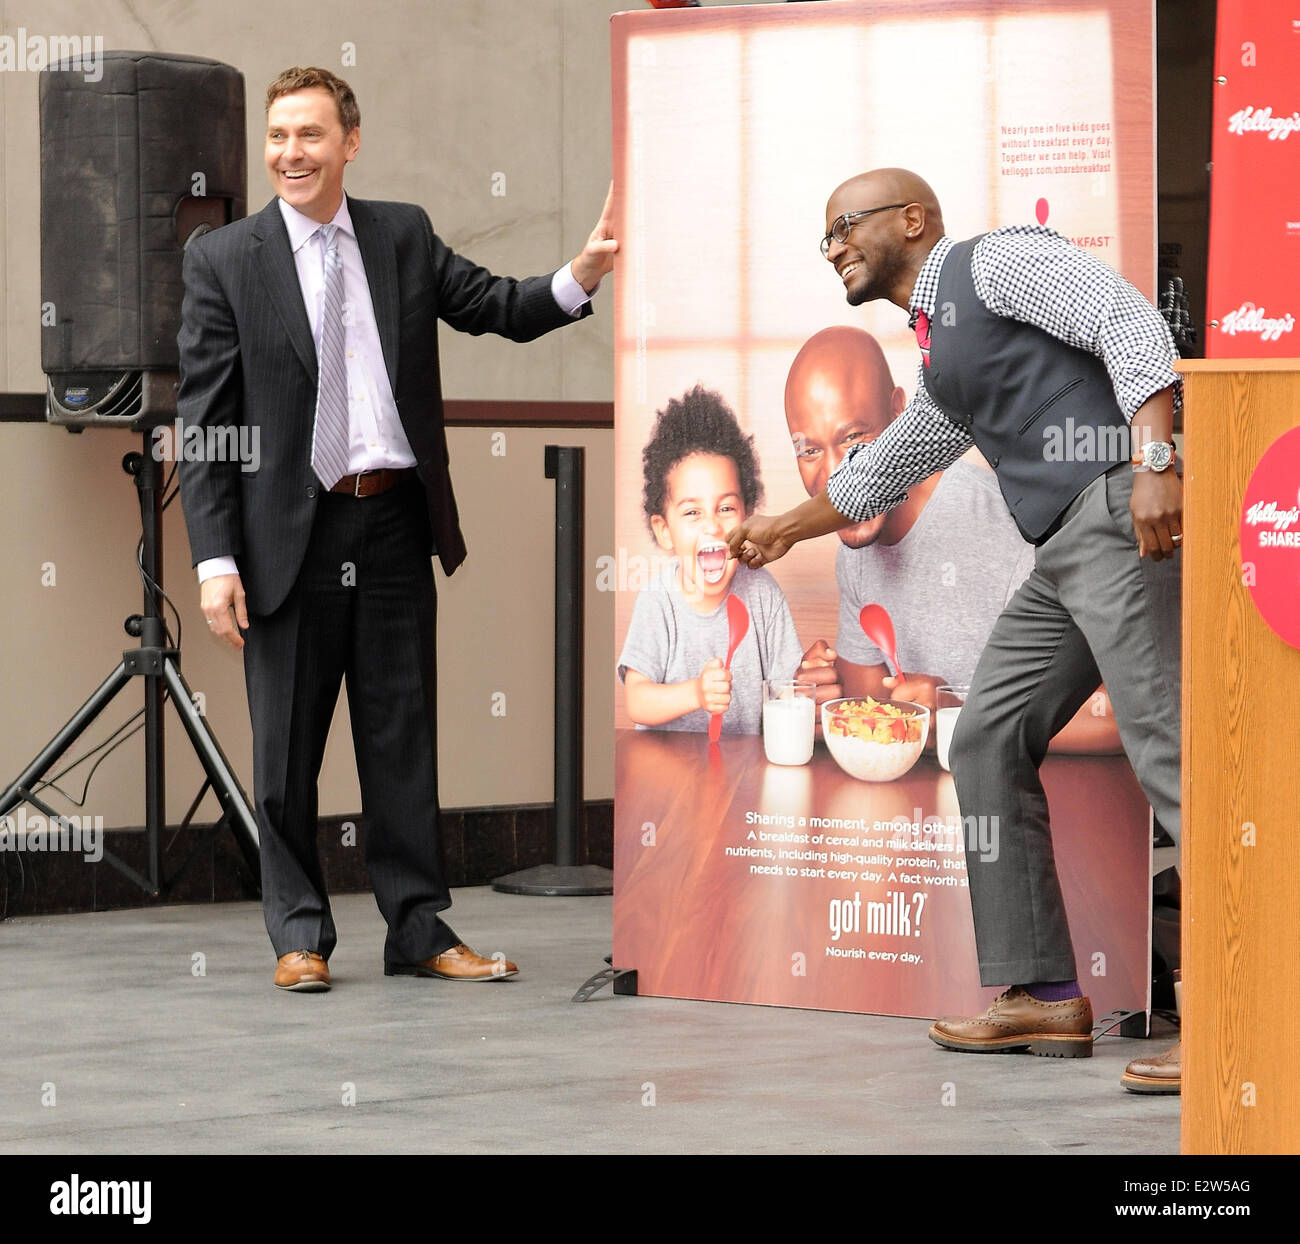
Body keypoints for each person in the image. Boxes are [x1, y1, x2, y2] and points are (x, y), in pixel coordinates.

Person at [728, 168, 1183, 1092]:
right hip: (1061, 552)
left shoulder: (996, 262)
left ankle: (1246, 1009)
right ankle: (1046, 992)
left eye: (845, 226)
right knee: (983, 737)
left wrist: (1158, 460)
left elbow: (1129, 322)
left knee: (1168, 751)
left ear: (912, 219)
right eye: (825, 239)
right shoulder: (942, 364)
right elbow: (874, 476)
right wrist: (780, 528)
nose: (835, 248)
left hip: (1113, 511)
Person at [177, 66, 617, 992]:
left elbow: (496, 306)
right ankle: (299, 932)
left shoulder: (401, 235)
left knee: (400, 736)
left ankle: (418, 927)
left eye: (310, 135)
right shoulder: (225, 260)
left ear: (350, 141)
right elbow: (208, 423)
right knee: (286, 752)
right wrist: (215, 559)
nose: (290, 153)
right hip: (287, 537)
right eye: (278, 136)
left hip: (392, 522)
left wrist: (580, 276)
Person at [786, 326, 1121, 754]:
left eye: (853, 438)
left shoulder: (1007, 525)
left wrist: (960, 715)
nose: (837, 474)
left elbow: (1113, 713)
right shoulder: (855, 550)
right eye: (809, 451)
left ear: (898, 414)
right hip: (919, 811)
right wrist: (824, 700)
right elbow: (873, 705)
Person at [619, 385, 803, 734]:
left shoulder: (763, 594)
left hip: (743, 774)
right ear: (664, 531)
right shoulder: (658, 602)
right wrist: (696, 693)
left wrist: (811, 674)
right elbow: (637, 702)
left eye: (726, 508)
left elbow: (788, 691)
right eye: (692, 512)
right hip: (669, 777)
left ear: (748, 517)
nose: (712, 525)